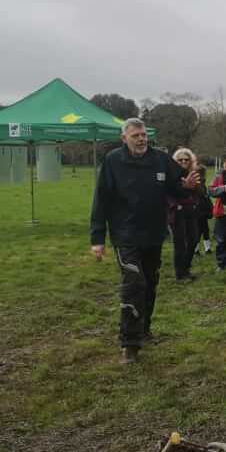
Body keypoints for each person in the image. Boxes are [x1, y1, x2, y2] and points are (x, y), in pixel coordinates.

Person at [90, 118, 200, 364]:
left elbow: (176, 189)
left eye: (143, 135)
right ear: (124, 138)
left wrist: (188, 187)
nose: (141, 139)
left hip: (153, 234)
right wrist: (97, 238)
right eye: (135, 135)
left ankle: (144, 329)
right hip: (125, 236)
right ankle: (129, 344)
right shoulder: (112, 161)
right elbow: (101, 200)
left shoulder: (161, 159)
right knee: (134, 283)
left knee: (150, 283)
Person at [169, 148, 201, 281]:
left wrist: (195, 188)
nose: (183, 162)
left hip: (191, 209)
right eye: (180, 159)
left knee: (193, 239)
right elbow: (168, 193)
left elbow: (199, 192)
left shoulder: (193, 173)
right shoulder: (170, 175)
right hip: (176, 210)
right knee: (180, 242)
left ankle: (186, 268)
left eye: (186, 159)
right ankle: (180, 273)